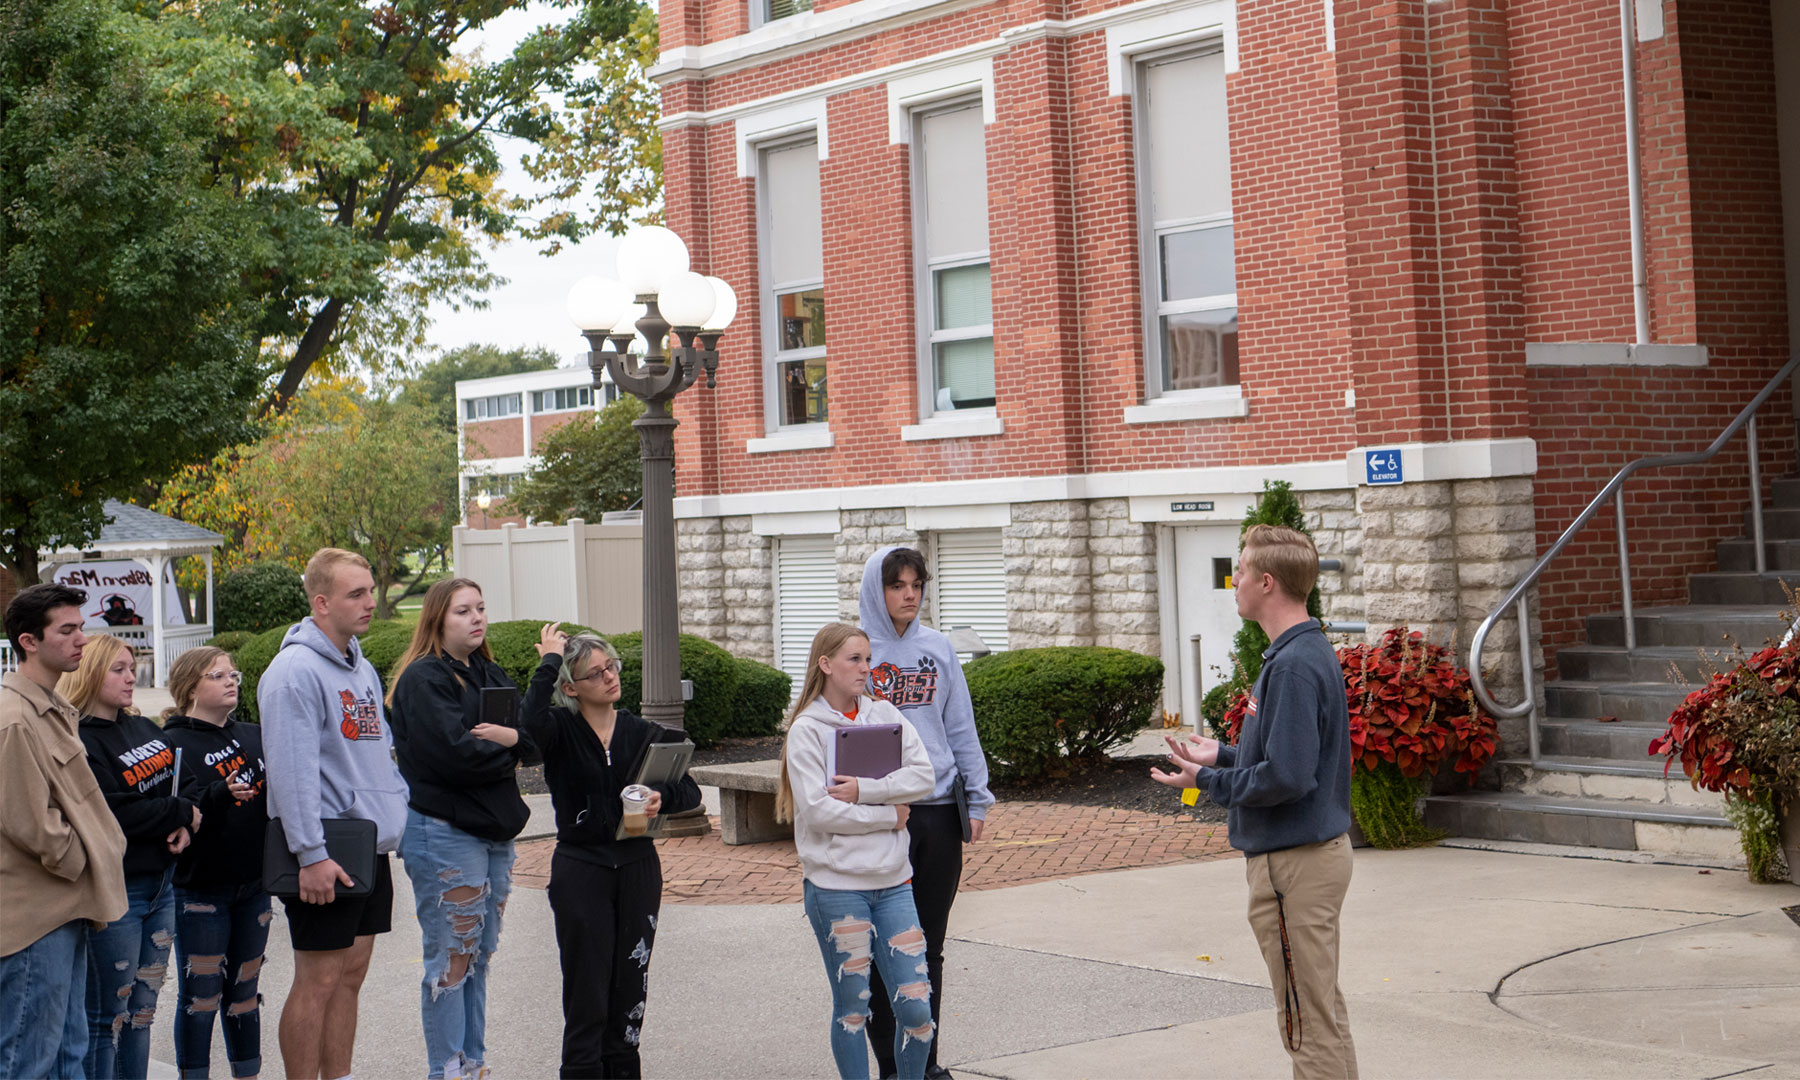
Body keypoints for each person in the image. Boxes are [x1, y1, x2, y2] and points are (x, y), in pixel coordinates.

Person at [1152, 524, 1358, 1079]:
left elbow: (1287, 778)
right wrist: (1222, 755)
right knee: (1318, 1013)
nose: (1234, 581)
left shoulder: (1292, 665)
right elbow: (1289, 758)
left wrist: (1205, 781)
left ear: (1267, 582)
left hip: (1294, 866)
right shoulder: (1302, 651)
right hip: (1307, 859)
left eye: (1239, 571)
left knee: (1305, 1023)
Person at [521, 625, 700, 1080]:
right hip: (581, 869)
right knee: (587, 990)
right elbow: (528, 728)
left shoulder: (642, 732)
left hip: (638, 867)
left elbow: (690, 791)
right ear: (570, 688)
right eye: (595, 673)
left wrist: (661, 796)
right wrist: (549, 662)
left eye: (611, 666)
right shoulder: (559, 729)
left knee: (630, 988)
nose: (609, 677)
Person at [259, 548, 409, 1080]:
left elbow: (378, 752)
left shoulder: (360, 666)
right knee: (318, 981)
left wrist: (397, 814)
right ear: (321, 603)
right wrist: (310, 854)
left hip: (368, 845)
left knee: (350, 977)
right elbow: (291, 772)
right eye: (356, 594)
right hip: (325, 851)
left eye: (370, 591)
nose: (370, 602)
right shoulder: (294, 672)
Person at [775, 622, 938, 1080]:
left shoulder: (884, 714)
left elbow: (923, 777)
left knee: (917, 1011)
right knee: (853, 1008)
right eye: (855, 659)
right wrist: (890, 815)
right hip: (837, 889)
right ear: (826, 664)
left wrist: (865, 790)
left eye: (868, 659)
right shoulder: (807, 730)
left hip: (894, 884)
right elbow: (820, 812)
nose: (866, 668)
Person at [389, 578, 537, 1080]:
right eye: (462, 611)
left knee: (479, 954)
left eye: (480, 608)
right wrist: (511, 748)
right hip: (443, 831)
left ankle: (473, 1064)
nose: (477, 618)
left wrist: (509, 742)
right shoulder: (423, 679)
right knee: (452, 958)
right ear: (437, 619)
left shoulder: (488, 672)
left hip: (494, 830)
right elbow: (457, 756)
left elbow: (533, 738)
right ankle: (446, 1069)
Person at [856, 546, 994, 1079]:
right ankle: (890, 1067)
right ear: (876, 590)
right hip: (879, 819)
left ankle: (925, 1065)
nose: (909, 594)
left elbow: (960, 726)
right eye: (897, 585)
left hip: (937, 814)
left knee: (927, 946)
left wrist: (977, 798)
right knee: (879, 948)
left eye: (916, 585)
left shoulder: (938, 648)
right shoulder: (856, 651)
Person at [1, 584, 128, 1079]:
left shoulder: (51, 707)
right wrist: (82, 861)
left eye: (82, 627)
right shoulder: (15, 719)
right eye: (67, 630)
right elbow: (31, 823)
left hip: (64, 908)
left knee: (68, 1054)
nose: (82, 640)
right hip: (35, 918)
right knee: (28, 1061)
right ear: (29, 641)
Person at [62, 634, 201, 1080]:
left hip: (162, 888)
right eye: (118, 669)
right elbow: (115, 812)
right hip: (117, 892)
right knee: (108, 1016)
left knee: (142, 1012)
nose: (130, 677)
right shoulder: (78, 738)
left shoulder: (142, 727)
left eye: (131, 667)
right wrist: (179, 812)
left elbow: (187, 783)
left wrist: (184, 821)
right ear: (90, 673)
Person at [162, 646, 270, 1080]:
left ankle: (248, 1073)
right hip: (201, 890)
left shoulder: (253, 734)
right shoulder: (172, 743)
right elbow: (174, 811)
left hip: (255, 886)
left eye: (233, 675)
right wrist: (218, 795)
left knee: (245, 993)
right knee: (201, 997)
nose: (231, 682)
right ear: (191, 687)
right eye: (217, 675)